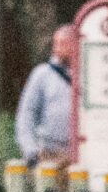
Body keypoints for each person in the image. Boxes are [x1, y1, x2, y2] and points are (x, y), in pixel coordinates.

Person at [15, 24, 77, 167]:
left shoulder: (87, 74)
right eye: (56, 43)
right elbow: (26, 113)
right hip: (49, 153)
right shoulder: (42, 74)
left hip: (79, 155)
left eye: (64, 44)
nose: (57, 49)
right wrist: (30, 150)